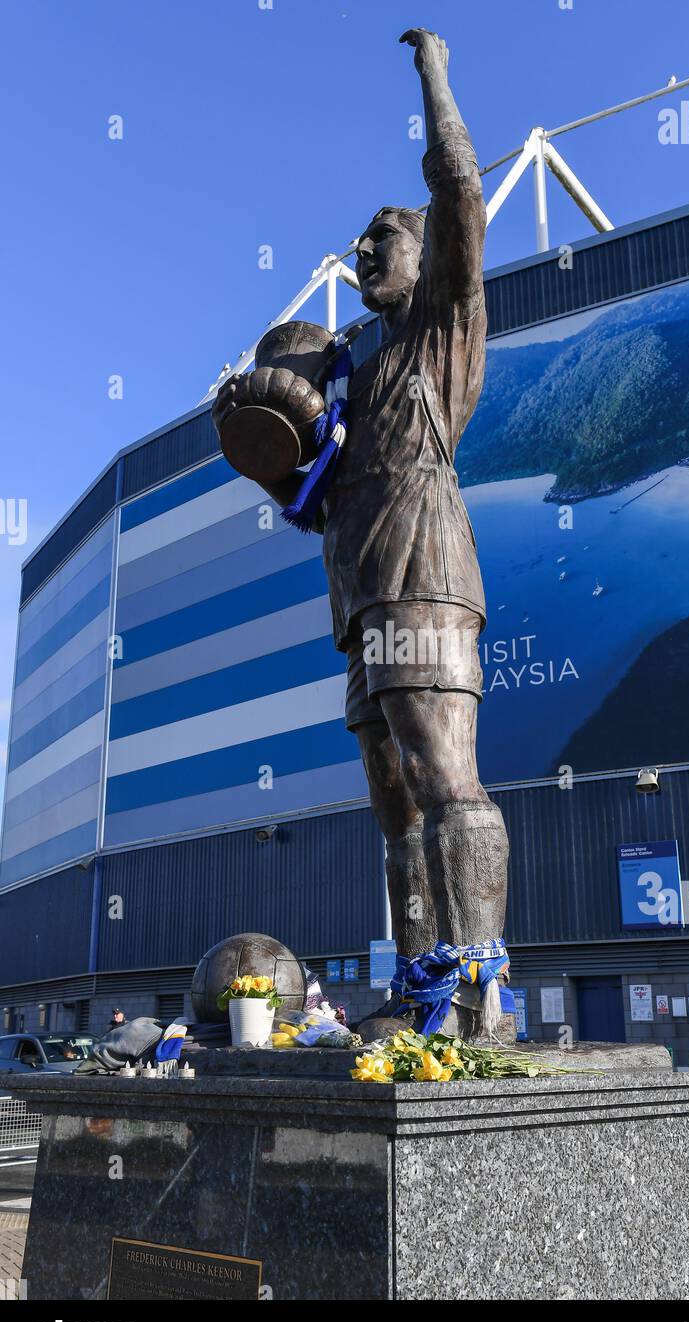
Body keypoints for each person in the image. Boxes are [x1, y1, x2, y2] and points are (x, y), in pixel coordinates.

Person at [213, 30, 508, 983]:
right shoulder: (352, 380)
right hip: (362, 601)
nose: (361, 254)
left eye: (380, 240)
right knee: (396, 803)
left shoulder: (442, 330)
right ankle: (420, 986)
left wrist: (435, 76)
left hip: (427, 575)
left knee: (446, 777)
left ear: (425, 258)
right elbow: (306, 491)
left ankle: (478, 994)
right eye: (360, 245)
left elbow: (460, 190)